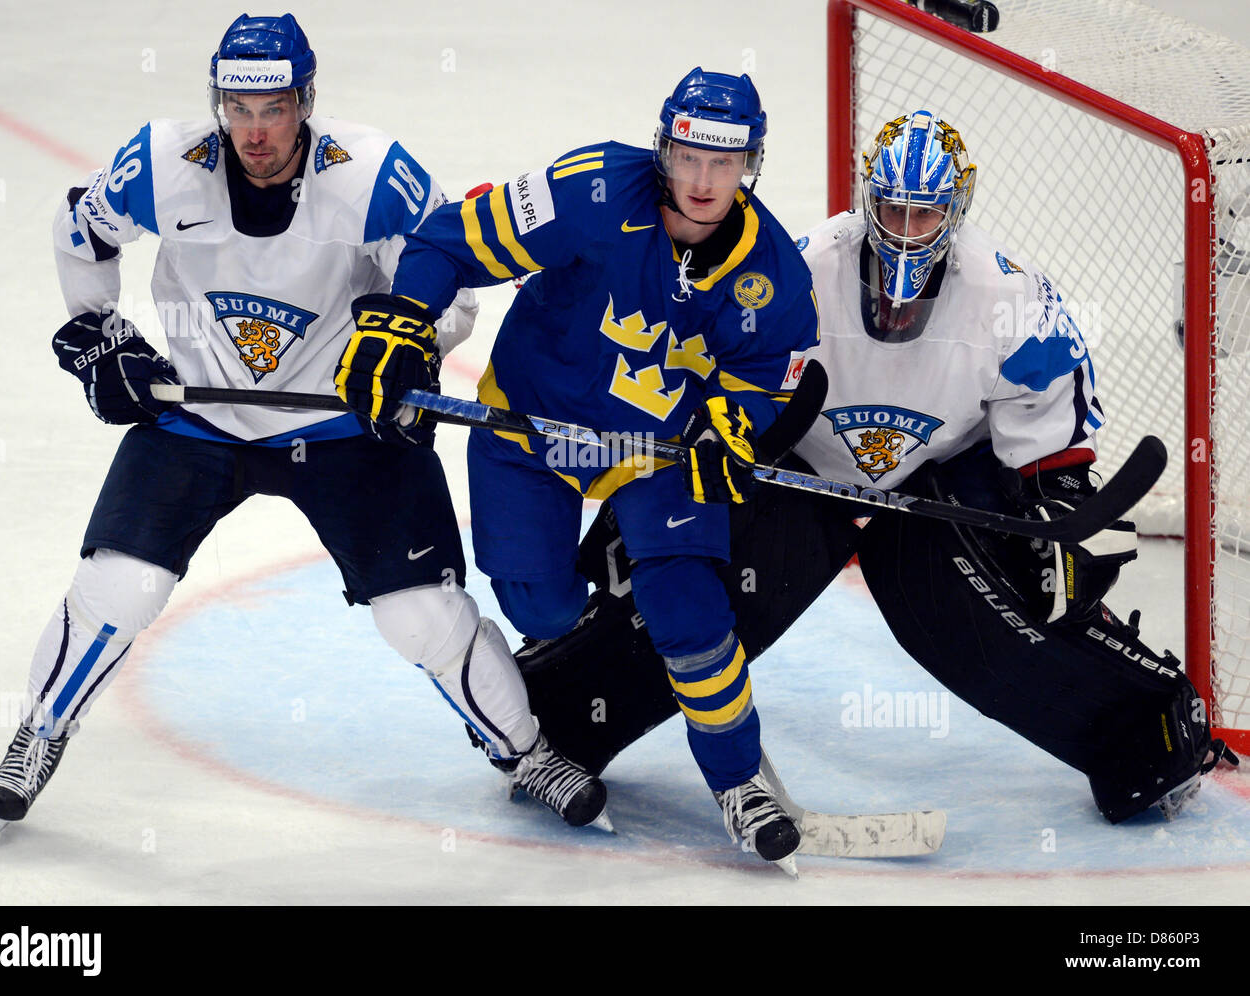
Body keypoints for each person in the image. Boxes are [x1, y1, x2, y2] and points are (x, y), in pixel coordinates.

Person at [0, 13, 608, 842]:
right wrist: (99, 332)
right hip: (198, 416)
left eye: (273, 109)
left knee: (419, 614)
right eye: (238, 110)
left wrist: (412, 344)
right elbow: (78, 227)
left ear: (307, 101)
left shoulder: (375, 172)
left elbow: (449, 271)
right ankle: (39, 735)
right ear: (218, 105)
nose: (255, 131)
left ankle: (525, 752)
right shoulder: (164, 165)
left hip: (344, 425)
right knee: (123, 587)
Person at [508, 109, 1237, 824]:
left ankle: (1150, 739)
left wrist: (1058, 499)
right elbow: (721, 362)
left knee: (975, 612)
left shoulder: (1008, 294)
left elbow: (1051, 406)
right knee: (709, 582)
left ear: (959, 207)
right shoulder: (799, 267)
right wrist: (702, 448)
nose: (907, 230)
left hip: (943, 475)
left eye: (926, 215)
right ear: (866, 196)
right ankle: (559, 718)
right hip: (803, 467)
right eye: (894, 208)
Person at [335, 69, 822, 869]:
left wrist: (734, 423)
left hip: (653, 454)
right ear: (663, 147)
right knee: (546, 609)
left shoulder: (772, 273)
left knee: (693, 618)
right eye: (690, 156)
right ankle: (614, 563)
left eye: (725, 163)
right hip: (532, 429)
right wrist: (400, 322)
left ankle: (738, 783)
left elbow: (771, 371)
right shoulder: (588, 190)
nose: (704, 182)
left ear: (752, 164)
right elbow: (443, 238)